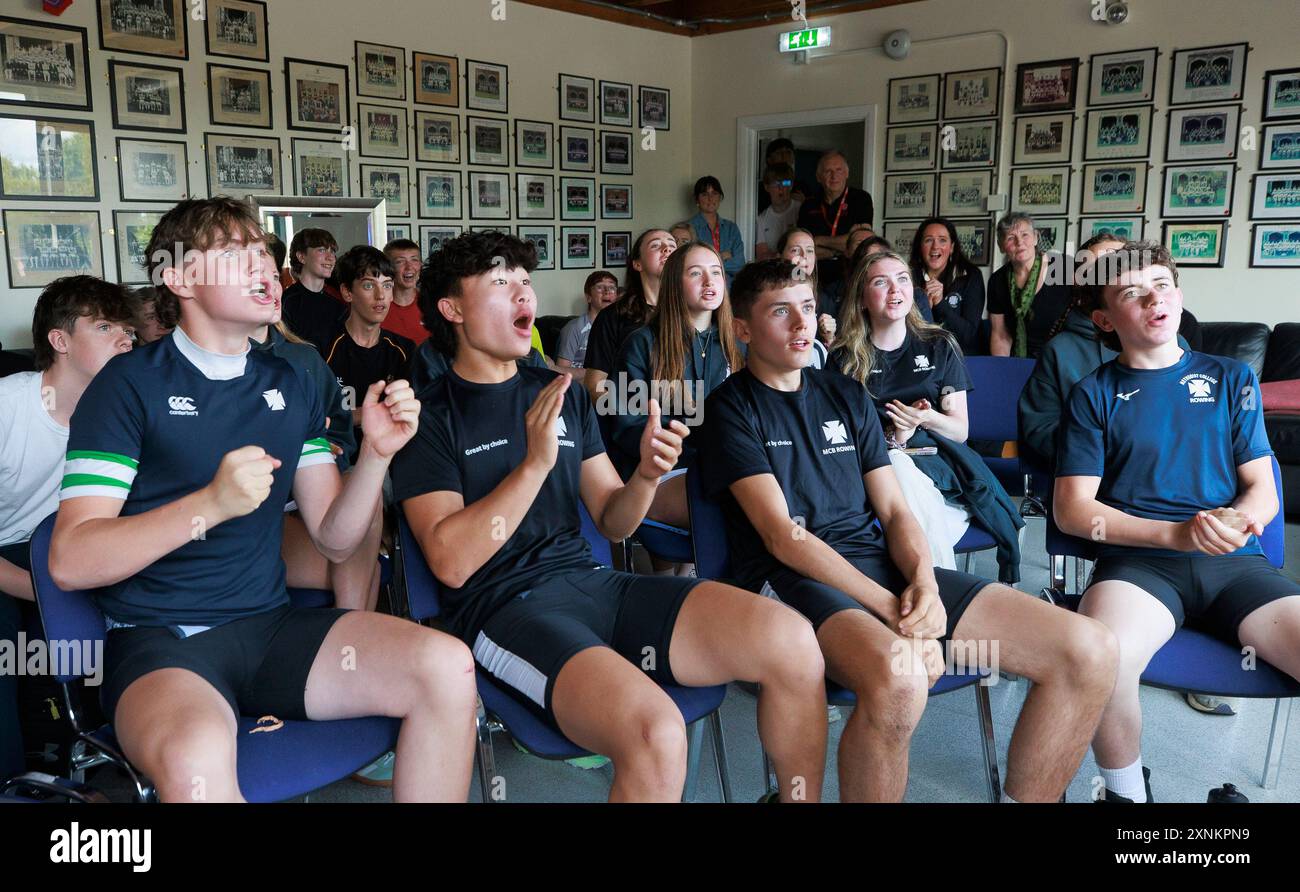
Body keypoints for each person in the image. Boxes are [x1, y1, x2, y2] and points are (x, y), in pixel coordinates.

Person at [50, 197, 477, 802]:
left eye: (263, 252)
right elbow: (69, 560)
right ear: (178, 278)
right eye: (234, 253)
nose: (263, 267)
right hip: (161, 641)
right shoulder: (127, 385)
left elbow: (333, 535)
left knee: (447, 668)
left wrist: (377, 454)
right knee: (197, 760)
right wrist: (212, 504)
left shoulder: (293, 375)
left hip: (270, 628)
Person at [394, 231, 830, 803]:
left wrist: (646, 476)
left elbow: (612, 520)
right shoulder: (428, 415)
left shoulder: (561, 393)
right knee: (658, 731)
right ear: (452, 310)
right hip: (502, 612)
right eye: (501, 283)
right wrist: (533, 465)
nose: (522, 292)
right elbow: (450, 565)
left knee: (793, 639)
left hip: (593, 585)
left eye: (525, 281)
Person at [700, 258, 1119, 802]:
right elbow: (784, 536)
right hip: (792, 579)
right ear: (742, 328)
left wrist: (922, 581)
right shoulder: (730, 408)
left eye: (807, 307)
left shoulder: (845, 395)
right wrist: (894, 612)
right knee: (902, 681)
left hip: (877, 564)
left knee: (1088, 649)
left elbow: (896, 513)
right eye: (780, 312)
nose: (802, 324)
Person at [1054, 241, 1300, 801]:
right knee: (1102, 660)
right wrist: (1175, 534)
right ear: (1105, 319)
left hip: (1235, 565)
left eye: (1161, 286)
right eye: (1131, 293)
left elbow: (1262, 488)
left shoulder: (1232, 378)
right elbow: (1073, 512)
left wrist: (1237, 520)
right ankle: (1126, 796)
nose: (1152, 300)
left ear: (1179, 295)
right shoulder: (1093, 394)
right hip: (1141, 567)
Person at [1017, 236, 1225, 718]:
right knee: (1107, 653)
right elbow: (1039, 431)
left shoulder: (1186, 349)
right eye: (1107, 270)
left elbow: (1196, 436)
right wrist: (1101, 454)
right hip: (1101, 500)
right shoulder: (1065, 354)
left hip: (1182, 508)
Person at [0, 276, 136, 782]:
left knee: (97, 642)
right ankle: (18, 784)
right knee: (9, 654)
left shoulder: (125, 408)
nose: (124, 338)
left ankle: (78, 772)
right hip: (10, 556)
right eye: (104, 327)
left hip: (67, 553)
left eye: (126, 329)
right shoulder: (8, 405)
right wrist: (34, 588)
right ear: (60, 342)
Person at [833, 251, 1022, 579]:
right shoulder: (843, 358)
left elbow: (959, 430)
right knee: (899, 469)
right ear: (862, 298)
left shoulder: (939, 345)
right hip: (867, 470)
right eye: (881, 282)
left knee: (903, 477)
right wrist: (894, 439)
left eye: (902, 279)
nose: (895, 289)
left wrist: (924, 419)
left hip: (938, 463)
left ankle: (923, 591)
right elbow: (835, 436)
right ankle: (940, 594)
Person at [608, 243, 743, 530]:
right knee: (741, 504)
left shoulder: (738, 343)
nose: (709, 282)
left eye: (716, 272)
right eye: (696, 273)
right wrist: (688, 439)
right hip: (661, 472)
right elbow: (626, 426)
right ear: (673, 284)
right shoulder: (641, 343)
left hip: (724, 466)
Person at [322, 246, 415, 457]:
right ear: (347, 292)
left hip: (391, 457)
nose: (380, 295)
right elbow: (315, 417)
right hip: (337, 457)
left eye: (387, 286)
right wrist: (367, 414)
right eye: (368, 285)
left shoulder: (404, 350)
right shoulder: (322, 349)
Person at [582, 228, 676, 405]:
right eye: (656, 245)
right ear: (637, 264)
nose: (667, 249)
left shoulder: (691, 314)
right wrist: (630, 417)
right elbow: (594, 385)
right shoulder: (612, 317)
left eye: (672, 245)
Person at [987, 213, 1072, 359]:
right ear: (1001, 246)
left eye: (1024, 234)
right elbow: (1000, 335)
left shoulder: (1064, 267)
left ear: (1036, 238)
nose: (1019, 243)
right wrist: (1003, 369)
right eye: (1010, 238)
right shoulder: (997, 280)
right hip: (1020, 359)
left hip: (1063, 357)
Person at [796, 150, 874, 294]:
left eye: (839, 170)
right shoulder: (808, 205)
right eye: (828, 171)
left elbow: (861, 243)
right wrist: (840, 249)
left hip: (851, 278)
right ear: (818, 177)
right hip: (815, 279)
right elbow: (802, 249)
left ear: (847, 173)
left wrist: (818, 240)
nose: (834, 176)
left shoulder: (861, 199)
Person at [908, 217, 986, 356]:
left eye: (942, 240)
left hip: (962, 358)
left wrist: (940, 304)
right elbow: (903, 332)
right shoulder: (907, 278)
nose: (935, 247)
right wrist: (924, 306)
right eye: (928, 240)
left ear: (952, 247)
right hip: (920, 357)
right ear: (920, 247)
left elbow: (968, 336)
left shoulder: (970, 276)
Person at [282, 228, 343, 353]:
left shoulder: (338, 305)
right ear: (301, 257)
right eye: (321, 250)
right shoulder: (286, 302)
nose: (330, 257)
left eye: (332, 251)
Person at [778, 228, 839, 353]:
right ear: (780, 256)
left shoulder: (826, 300)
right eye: (795, 250)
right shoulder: (768, 296)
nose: (804, 256)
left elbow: (836, 360)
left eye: (810, 251)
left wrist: (830, 338)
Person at [555, 270, 618, 385]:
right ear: (588, 297)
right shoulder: (574, 328)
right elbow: (560, 371)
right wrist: (592, 374)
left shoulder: (619, 328)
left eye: (612, 288)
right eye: (600, 287)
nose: (607, 291)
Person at [688, 176, 745, 281]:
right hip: (701, 288)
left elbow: (739, 265)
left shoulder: (731, 228)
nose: (710, 198)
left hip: (730, 290)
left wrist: (709, 261)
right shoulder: (689, 228)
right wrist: (722, 256)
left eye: (714, 193)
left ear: (720, 197)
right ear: (697, 199)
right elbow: (691, 265)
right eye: (705, 194)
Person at [381, 238, 429, 345]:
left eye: (414, 260)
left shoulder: (431, 304)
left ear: (420, 265)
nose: (409, 267)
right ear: (388, 268)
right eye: (400, 261)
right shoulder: (378, 306)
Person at [755, 164, 801, 260]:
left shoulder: (801, 209)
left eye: (786, 183)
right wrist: (780, 256)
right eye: (776, 183)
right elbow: (761, 255)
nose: (781, 188)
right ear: (767, 187)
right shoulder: (762, 219)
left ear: (791, 186)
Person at [757, 138, 809, 213]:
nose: (784, 156)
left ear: (793, 158)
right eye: (778, 152)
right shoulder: (760, 189)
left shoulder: (802, 187)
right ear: (769, 160)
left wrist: (805, 203)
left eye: (788, 152)